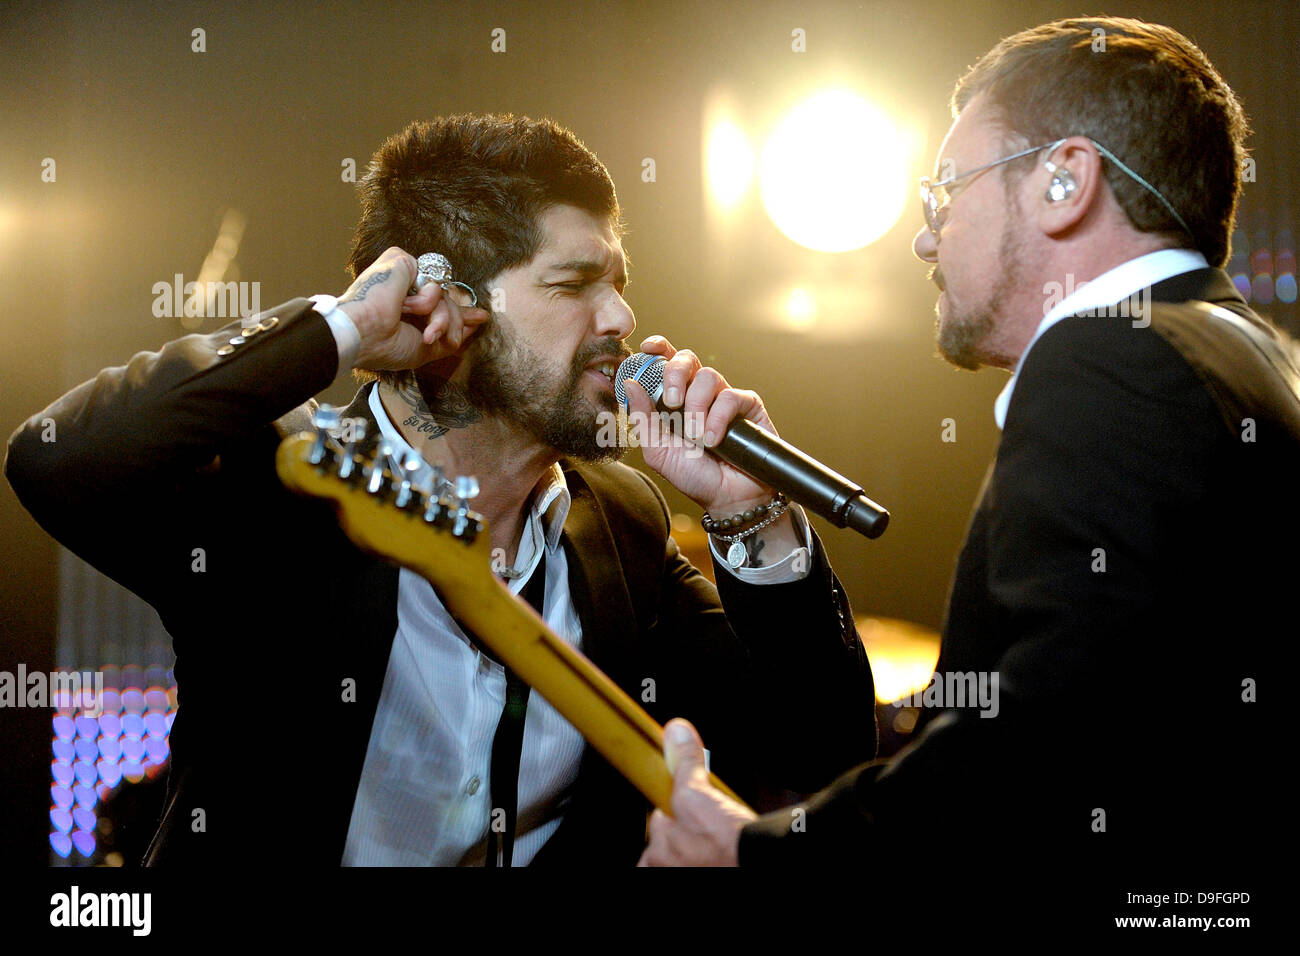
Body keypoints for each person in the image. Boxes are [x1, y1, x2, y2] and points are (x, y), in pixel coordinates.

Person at [5, 115, 876, 866]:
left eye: (619, 286)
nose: (619, 320)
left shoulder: (620, 523)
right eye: (575, 284)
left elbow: (816, 757)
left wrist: (745, 511)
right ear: (442, 303)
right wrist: (340, 328)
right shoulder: (280, 485)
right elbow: (54, 459)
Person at [639, 17, 1298, 890]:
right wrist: (748, 511)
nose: (924, 236)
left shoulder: (1108, 357)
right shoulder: (1250, 352)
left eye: (944, 192)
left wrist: (755, 853)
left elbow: (1044, 746)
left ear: (1066, 181)